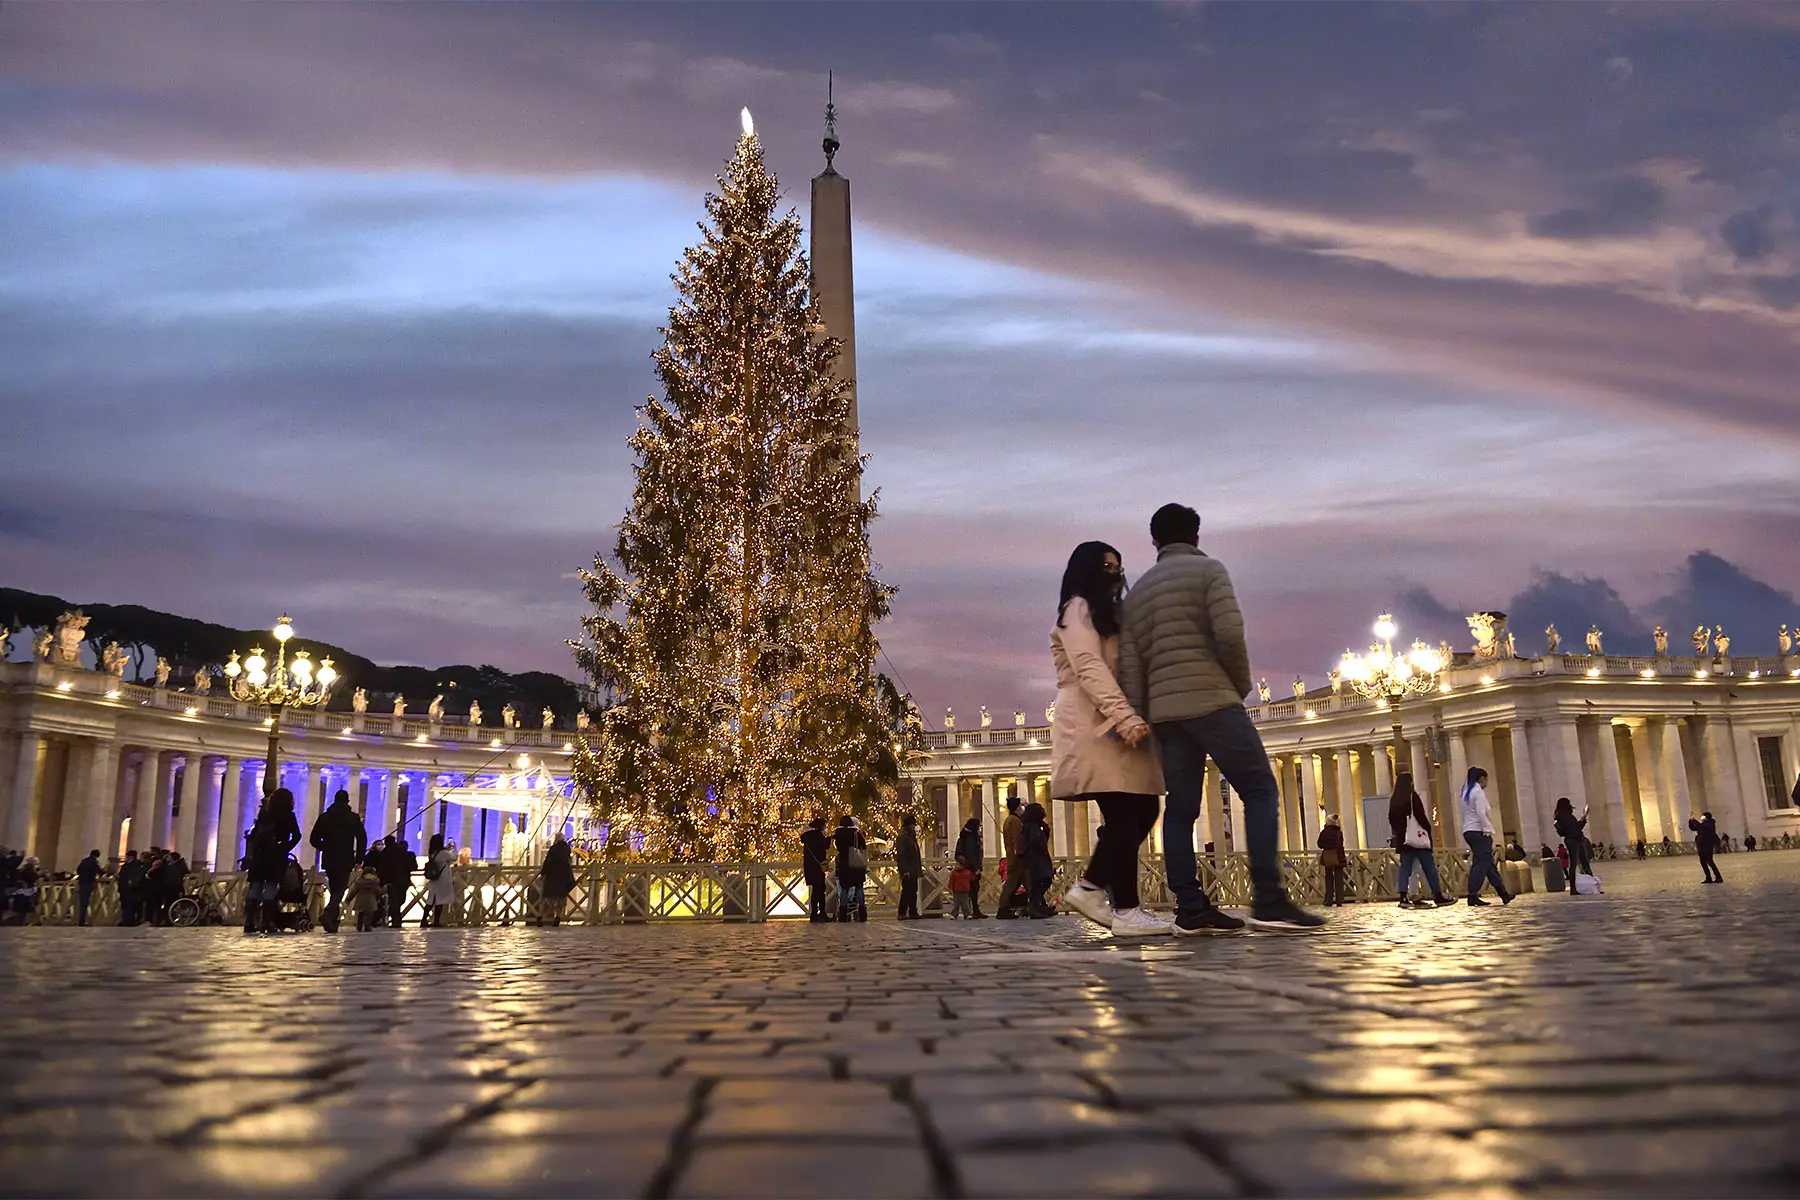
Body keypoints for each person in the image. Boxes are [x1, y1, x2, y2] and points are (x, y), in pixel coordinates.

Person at [1118, 505, 1324, 932]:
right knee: (1261, 789)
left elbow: (1130, 663)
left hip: (1166, 714)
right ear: (1196, 536)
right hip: (1213, 700)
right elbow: (1230, 634)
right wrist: (1238, 685)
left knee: (1180, 809)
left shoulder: (1138, 593)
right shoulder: (1210, 572)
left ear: (1155, 541)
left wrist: (1144, 712)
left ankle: (1190, 907)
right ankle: (1268, 899)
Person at [1049, 541, 1172, 939]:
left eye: (1118, 566)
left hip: (1114, 718)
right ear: (1085, 570)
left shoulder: (1109, 613)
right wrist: (1123, 715)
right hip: (1093, 721)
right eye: (1105, 566)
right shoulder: (1078, 608)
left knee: (1144, 810)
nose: (1115, 573)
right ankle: (1125, 909)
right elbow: (1088, 667)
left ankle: (1092, 889)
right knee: (1124, 814)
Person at [1389, 773, 1454, 908]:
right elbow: (1420, 815)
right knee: (1429, 867)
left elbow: (1391, 819)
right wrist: (1428, 828)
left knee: (1405, 869)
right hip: (1417, 838)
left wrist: (1400, 832)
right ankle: (1437, 895)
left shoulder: (1394, 799)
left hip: (1404, 840)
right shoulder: (1412, 797)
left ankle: (1403, 897)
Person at [309, 789, 368, 934]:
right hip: (346, 857)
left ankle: (332, 923)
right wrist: (359, 859)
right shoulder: (353, 818)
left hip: (329, 857)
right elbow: (362, 839)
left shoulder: (324, 817)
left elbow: (313, 839)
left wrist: (326, 847)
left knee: (335, 887)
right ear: (347, 802)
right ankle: (329, 912)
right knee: (339, 889)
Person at [243, 789, 301, 935]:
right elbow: (297, 836)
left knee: (255, 887)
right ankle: (266, 921)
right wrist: (284, 847)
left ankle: (249, 921)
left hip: (259, 855)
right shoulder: (288, 816)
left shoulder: (264, 813)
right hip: (276, 856)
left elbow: (254, 834)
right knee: (270, 887)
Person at [1458, 767, 1513, 907]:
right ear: (1481, 778)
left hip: (1468, 830)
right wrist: (1487, 829)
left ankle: (1503, 894)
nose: (1487, 782)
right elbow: (1481, 813)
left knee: (1488, 864)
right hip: (1479, 831)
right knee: (1481, 864)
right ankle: (1472, 894)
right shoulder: (1478, 793)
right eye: (1486, 779)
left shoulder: (1465, 793)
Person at [994, 795, 1029, 918]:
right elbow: (1018, 840)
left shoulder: (1010, 820)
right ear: (1017, 807)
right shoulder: (1014, 821)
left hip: (1014, 858)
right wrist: (1021, 854)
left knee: (1027, 884)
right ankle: (1003, 909)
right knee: (1011, 886)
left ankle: (1038, 905)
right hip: (1017, 859)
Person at [1020, 801, 1055, 918]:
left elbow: (1045, 835)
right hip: (1036, 858)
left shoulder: (1033, 824)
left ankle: (1038, 906)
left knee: (1039, 882)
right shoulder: (1032, 826)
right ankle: (1034, 907)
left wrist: (1043, 825)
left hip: (1036, 858)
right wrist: (1041, 846)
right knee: (1043, 880)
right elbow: (1035, 841)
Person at [1553, 798, 1593, 894]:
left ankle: (1592, 884)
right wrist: (1581, 820)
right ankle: (1573, 888)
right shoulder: (1563, 817)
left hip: (1577, 839)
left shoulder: (1567, 816)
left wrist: (1583, 820)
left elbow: (1577, 828)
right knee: (1574, 863)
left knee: (1585, 862)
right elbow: (1573, 828)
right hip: (1572, 840)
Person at [833, 815, 868, 923]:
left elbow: (838, 847)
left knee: (844, 889)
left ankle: (843, 914)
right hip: (856, 865)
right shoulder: (856, 834)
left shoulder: (839, 835)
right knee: (859, 888)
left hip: (844, 865)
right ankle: (862, 913)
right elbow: (864, 846)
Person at [379, 835, 417, 928]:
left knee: (394, 900)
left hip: (391, 880)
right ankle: (396, 918)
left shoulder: (386, 853)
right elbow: (413, 866)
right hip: (404, 880)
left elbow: (382, 867)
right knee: (400, 899)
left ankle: (396, 919)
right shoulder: (405, 853)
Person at [538, 832, 576, 926]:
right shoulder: (567, 849)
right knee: (560, 900)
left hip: (552, 876)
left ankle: (540, 917)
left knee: (546, 898)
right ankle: (557, 917)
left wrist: (542, 873)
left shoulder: (553, 849)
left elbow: (548, 861)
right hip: (563, 876)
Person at [954, 817, 987, 919]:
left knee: (974, 890)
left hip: (973, 867)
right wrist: (974, 867)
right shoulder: (969, 838)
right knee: (968, 891)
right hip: (969, 868)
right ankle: (968, 911)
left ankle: (973, 911)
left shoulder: (971, 836)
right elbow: (970, 854)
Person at [800, 818, 831, 923]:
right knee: (820, 890)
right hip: (817, 866)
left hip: (810, 866)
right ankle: (821, 913)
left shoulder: (808, 836)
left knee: (816, 889)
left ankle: (814, 914)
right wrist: (829, 838)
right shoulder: (817, 835)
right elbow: (824, 846)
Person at [422, 834, 456, 927]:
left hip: (434, 879)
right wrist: (452, 849)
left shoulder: (432, 853)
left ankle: (424, 919)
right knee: (440, 900)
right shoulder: (444, 853)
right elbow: (454, 858)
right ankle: (436, 921)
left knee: (431, 899)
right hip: (442, 878)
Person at [894, 814, 923, 920]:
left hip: (913, 868)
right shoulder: (904, 838)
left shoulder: (911, 836)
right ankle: (902, 912)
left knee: (913, 891)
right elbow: (901, 855)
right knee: (906, 891)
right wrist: (905, 870)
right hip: (908, 869)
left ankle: (913, 911)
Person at [1316, 815, 1347, 907]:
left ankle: (1328, 900)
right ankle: (1339, 900)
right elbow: (1340, 843)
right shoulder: (1338, 832)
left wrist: (1326, 847)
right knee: (1339, 879)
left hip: (1327, 857)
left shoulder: (1323, 833)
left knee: (1328, 879)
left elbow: (1319, 844)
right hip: (1338, 856)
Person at [1688, 809, 1723, 883]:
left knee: (1710, 862)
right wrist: (1690, 821)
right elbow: (1694, 828)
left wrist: (1695, 821)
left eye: (1703, 817)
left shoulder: (1710, 824)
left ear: (1707, 817)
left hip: (1707, 846)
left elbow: (1701, 827)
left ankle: (1718, 877)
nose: (1701, 818)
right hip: (1701, 846)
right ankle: (1708, 877)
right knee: (1703, 863)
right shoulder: (1703, 825)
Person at [347, 867, 385, 931]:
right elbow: (379, 891)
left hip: (360, 901)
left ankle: (359, 926)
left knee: (361, 914)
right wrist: (385, 889)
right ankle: (367, 925)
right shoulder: (374, 882)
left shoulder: (359, 882)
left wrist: (348, 899)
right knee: (369, 914)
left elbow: (354, 891)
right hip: (371, 901)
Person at [75, 849, 102, 927]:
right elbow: (99, 871)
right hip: (89, 883)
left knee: (82, 902)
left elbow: (78, 870)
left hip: (82, 882)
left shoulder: (84, 861)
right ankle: (83, 920)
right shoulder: (94, 862)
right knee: (85, 902)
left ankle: (81, 919)